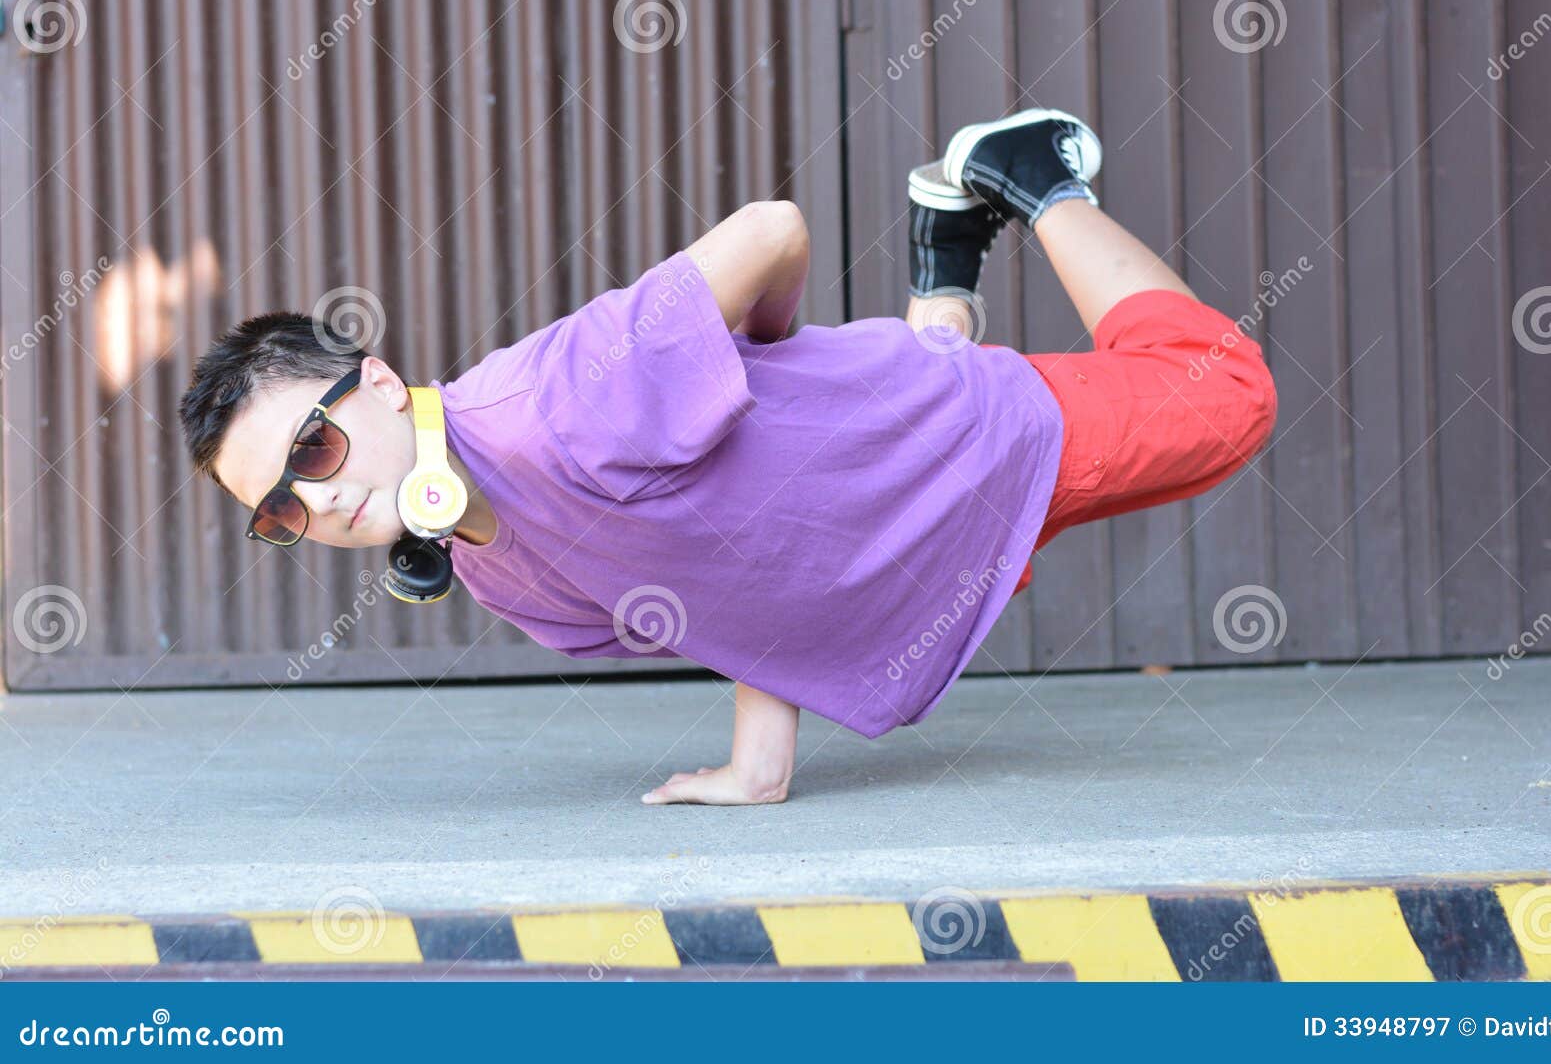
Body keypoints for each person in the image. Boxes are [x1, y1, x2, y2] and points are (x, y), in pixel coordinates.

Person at [179, 108, 1276, 807]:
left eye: (311, 444)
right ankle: (944, 259)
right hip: (900, 518)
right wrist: (761, 766)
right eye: (283, 508)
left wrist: (760, 355)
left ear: (378, 382)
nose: (322, 494)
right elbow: (735, 583)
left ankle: (1029, 174)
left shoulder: (564, 401)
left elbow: (772, 228)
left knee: (1224, 397)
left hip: (954, 433)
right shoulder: (495, 570)